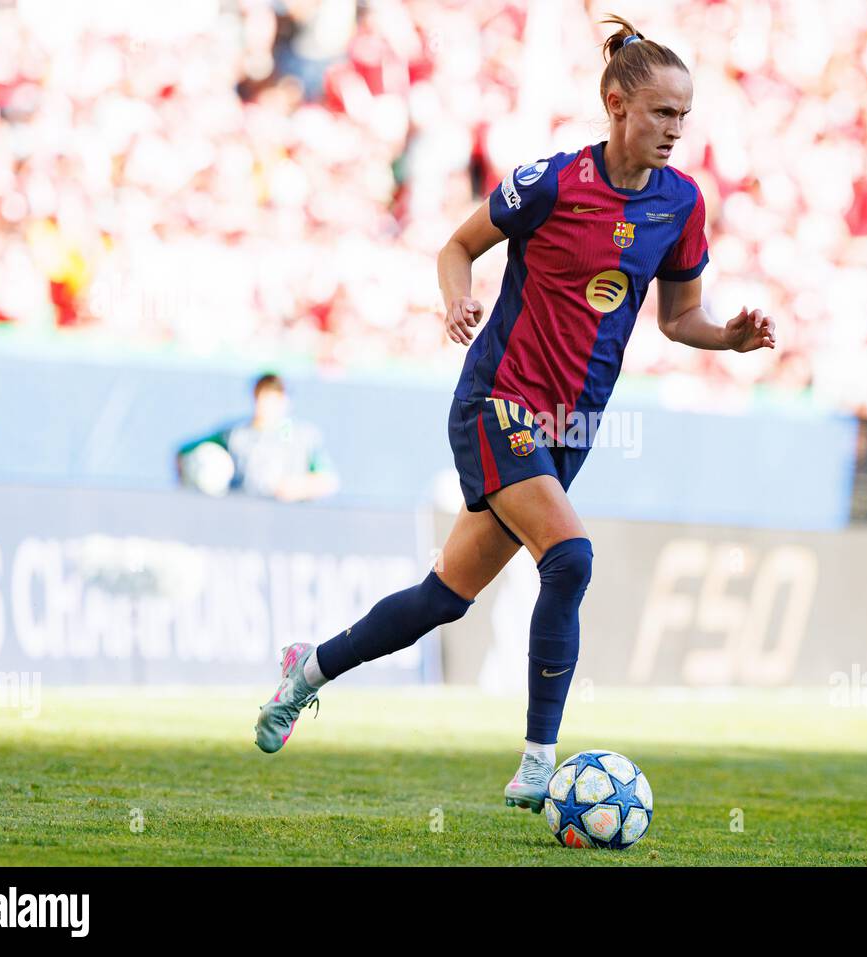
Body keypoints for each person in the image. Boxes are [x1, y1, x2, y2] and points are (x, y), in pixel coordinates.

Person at [253, 16, 777, 811]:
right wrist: (459, 301)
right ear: (617, 106)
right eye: (662, 113)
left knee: (443, 598)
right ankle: (540, 761)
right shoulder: (553, 183)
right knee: (570, 558)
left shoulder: (681, 204)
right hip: (497, 399)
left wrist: (729, 341)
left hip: (571, 430)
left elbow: (677, 318)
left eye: (684, 116)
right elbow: (456, 247)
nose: (675, 130)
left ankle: (309, 667)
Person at [177, 372, 338, 503]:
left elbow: (327, 480)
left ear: (285, 400)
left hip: (288, 517)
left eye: (274, 396)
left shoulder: (300, 435)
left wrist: (299, 487)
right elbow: (184, 452)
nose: (266, 402)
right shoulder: (236, 433)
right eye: (263, 395)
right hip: (242, 514)